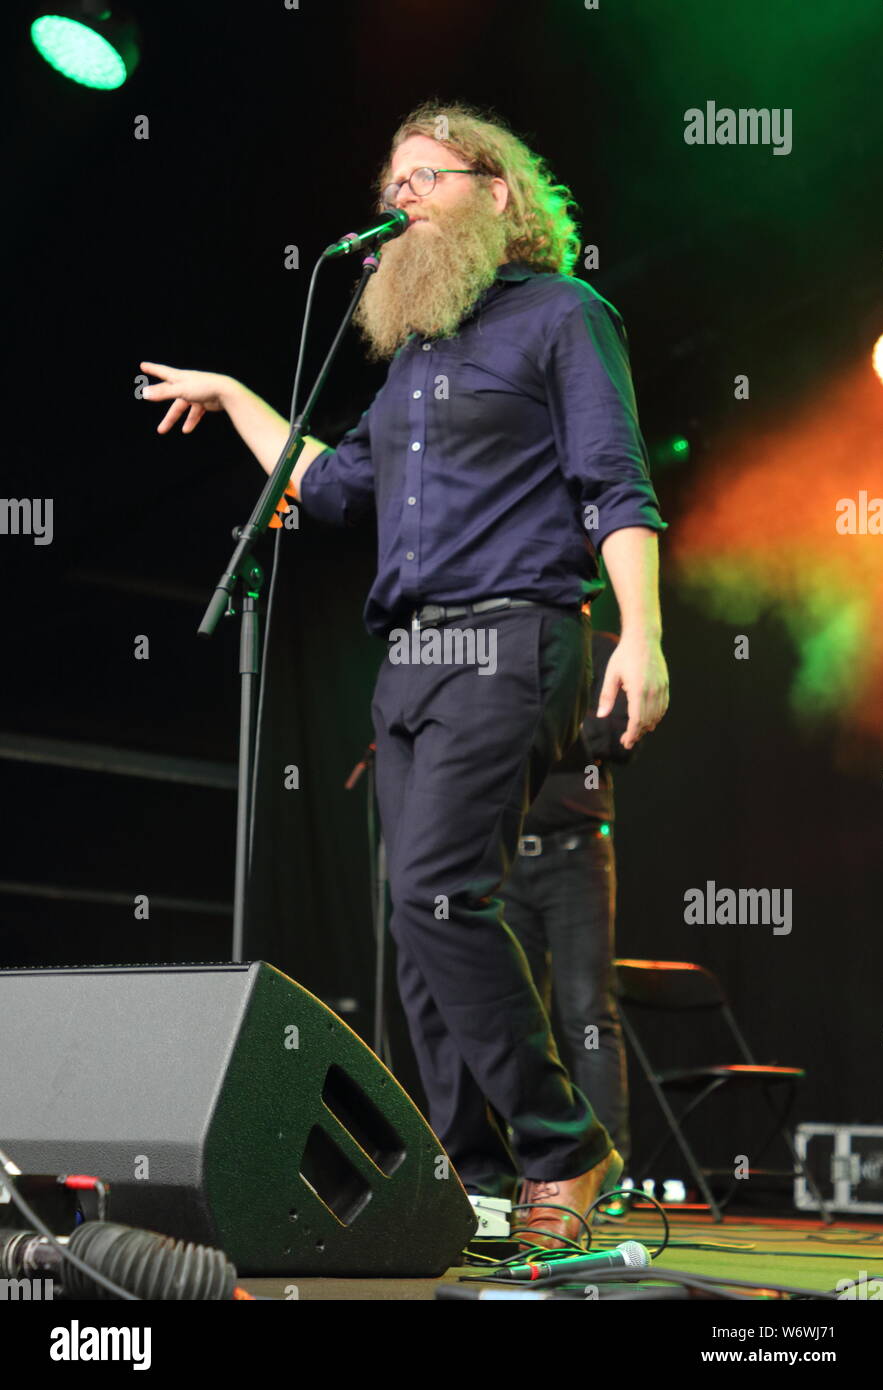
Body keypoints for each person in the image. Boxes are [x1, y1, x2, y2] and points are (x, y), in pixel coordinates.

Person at [140, 100, 669, 1250]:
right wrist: (238, 395)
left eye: (426, 176)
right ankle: (469, 1172)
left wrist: (642, 632)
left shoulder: (563, 318)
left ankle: (566, 1149)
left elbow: (615, 482)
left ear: (497, 193)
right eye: (392, 184)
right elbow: (330, 491)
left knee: (437, 892)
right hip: (412, 661)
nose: (400, 199)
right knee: (414, 923)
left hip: (515, 636)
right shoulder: (416, 360)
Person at [500, 628, 634, 1216]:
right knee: (510, 1012)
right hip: (506, 852)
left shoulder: (603, 650)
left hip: (578, 853)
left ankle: (606, 1173)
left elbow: (614, 737)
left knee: (587, 1013)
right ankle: (526, 1172)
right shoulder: (503, 644)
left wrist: (535, 726)